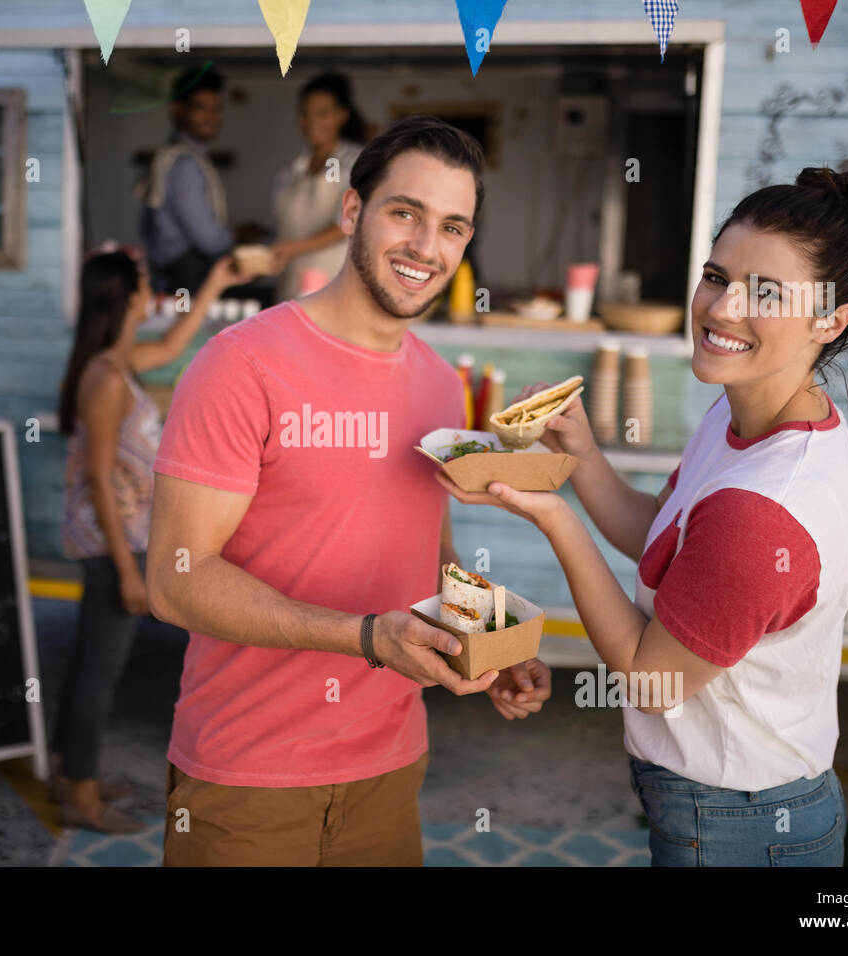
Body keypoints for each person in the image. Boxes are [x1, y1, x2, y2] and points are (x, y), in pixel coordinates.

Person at [438, 165, 848, 866]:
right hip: (707, 798)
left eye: (765, 293)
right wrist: (581, 452)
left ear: (832, 319)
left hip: (743, 823)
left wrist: (555, 519)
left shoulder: (767, 511)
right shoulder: (746, 412)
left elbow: (652, 675)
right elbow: (664, 535)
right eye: (717, 276)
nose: (722, 308)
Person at [146, 115, 551, 866]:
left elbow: (429, 549)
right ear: (352, 211)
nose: (428, 248)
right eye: (406, 213)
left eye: (453, 227)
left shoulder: (438, 383)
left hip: (389, 772)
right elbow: (175, 582)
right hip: (248, 777)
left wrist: (487, 640)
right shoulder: (240, 365)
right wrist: (366, 637)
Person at [53, 242, 249, 833]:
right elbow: (98, 478)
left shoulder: (115, 363)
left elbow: (172, 345)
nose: (150, 291)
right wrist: (128, 568)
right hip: (113, 546)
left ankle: (71, 773)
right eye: (143, 284)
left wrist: (215, 282)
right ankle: (82, 799)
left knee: (90, 662)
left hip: (121, 542)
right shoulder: (106, 379)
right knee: (100, 672)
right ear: (131, 298)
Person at [137, 67, 239, 296]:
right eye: (201, 109)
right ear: (177, 109)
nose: (211, 117)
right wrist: (239, 239)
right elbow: (209, 240)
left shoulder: (183, 157)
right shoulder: (184, 164)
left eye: (216, 109)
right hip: (186, 281)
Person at [268, 73, 366, 300]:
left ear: (342, 116)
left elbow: (346, 224)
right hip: (290, 290)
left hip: (336, 291)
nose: (312, 122)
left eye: (323, 113)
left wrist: (292, 249)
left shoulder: (355, 163)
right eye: (305, 114)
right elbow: (284, 230)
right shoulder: (290, 173)